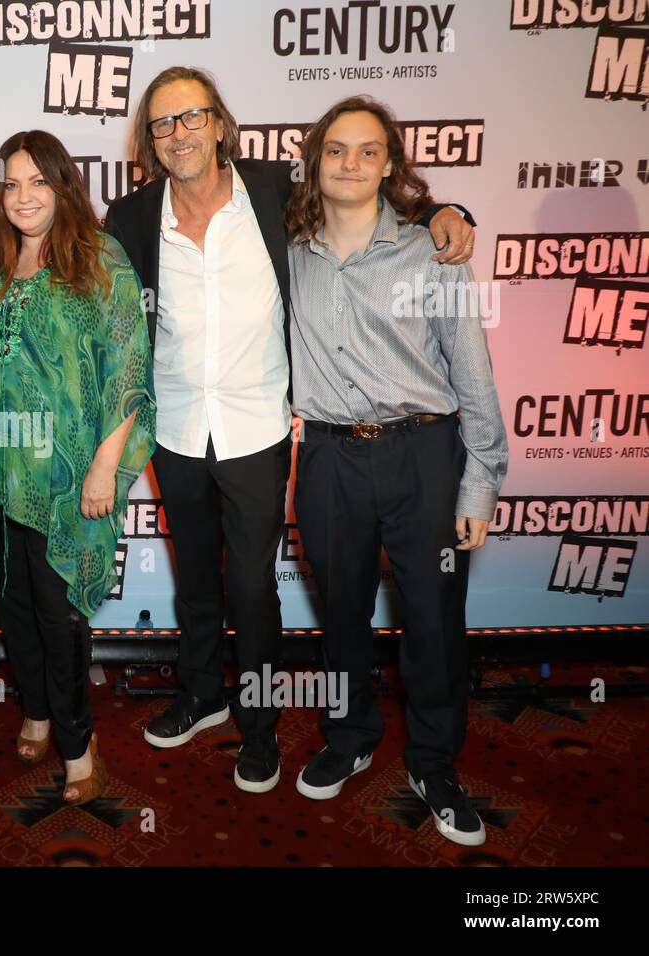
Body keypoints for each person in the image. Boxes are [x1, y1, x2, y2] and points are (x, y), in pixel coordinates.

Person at [104, 66, 477, 793]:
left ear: (219, 124)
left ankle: (259, 724)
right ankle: (203, 692)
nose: (178, 134)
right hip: (176, 426)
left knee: (251, 586)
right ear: (149, 140)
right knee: (195, 581)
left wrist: (447, 211)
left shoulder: (278, 190)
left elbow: (372, 191)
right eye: (162, 124)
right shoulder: (130, 217)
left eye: (192, 117)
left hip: (258, 426)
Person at [285, 96, 507, 845]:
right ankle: (349, 738)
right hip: (326, 456)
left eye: (369, 151)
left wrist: (481, 479)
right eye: (337, 150)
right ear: (314, 160)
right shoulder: (286, 254)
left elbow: (473, 372)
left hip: (424, 454)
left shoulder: (432, 251)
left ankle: (436, 763)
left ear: (390, 164)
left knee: (435, 622)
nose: (351, 163)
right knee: (340, 613)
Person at [0, 131, 155, 804]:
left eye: (41, 182)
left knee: (60, 614)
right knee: (15, 604)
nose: (25, 196)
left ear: (64, 188)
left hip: (66, 479)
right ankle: (34, 707)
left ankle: (76, 741)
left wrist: (104, 465)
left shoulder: (99, 261)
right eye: (13, 183)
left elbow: (129, 366)